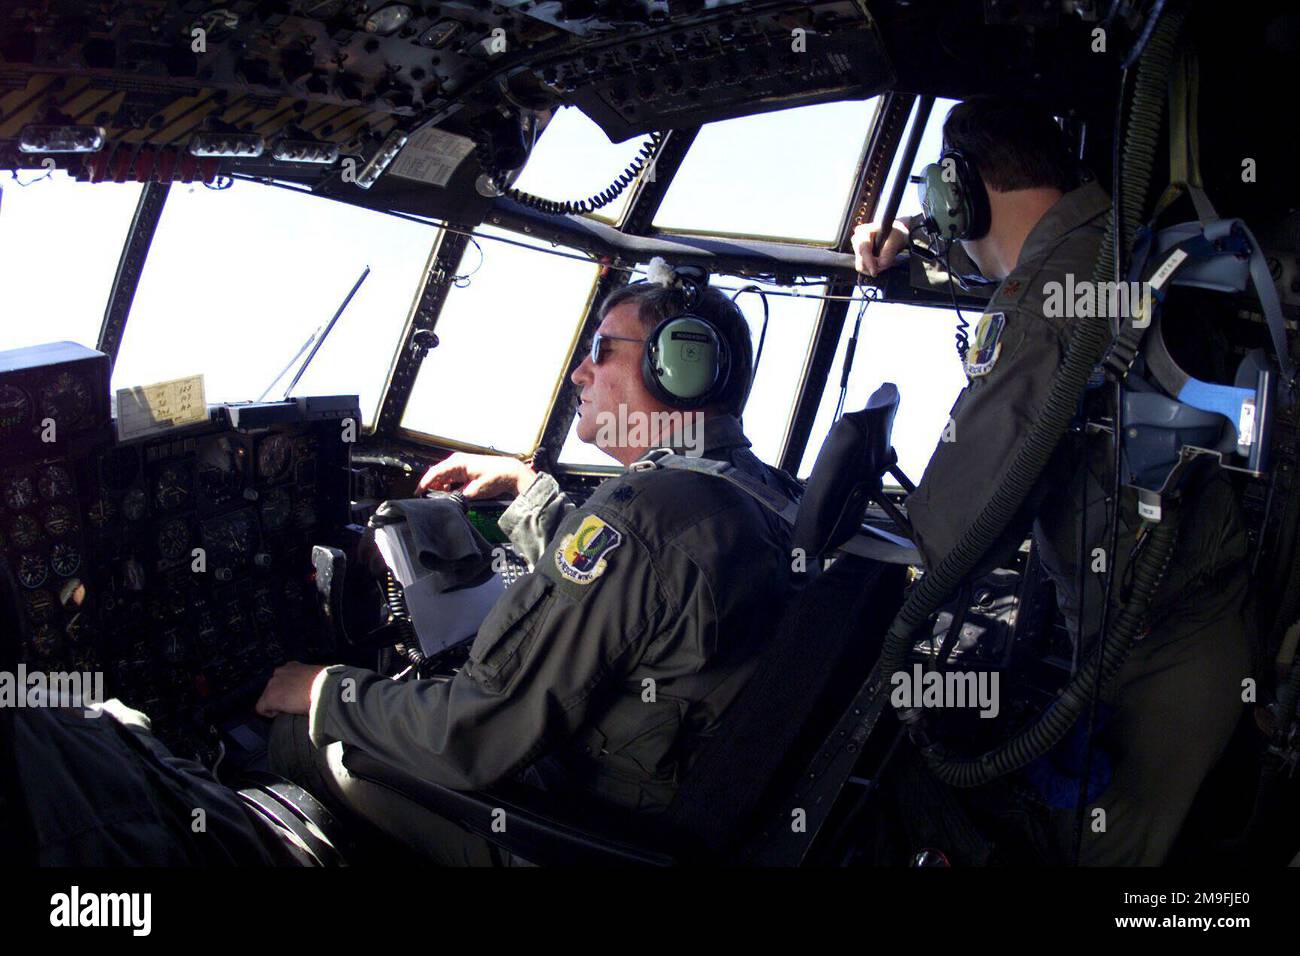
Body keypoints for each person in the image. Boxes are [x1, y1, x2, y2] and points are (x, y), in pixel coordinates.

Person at [256, 270, 802, 864]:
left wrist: (323, 688)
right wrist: (528, 492)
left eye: (601, 348)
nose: (580, 373)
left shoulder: (645, 514)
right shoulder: (762, 492)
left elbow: (473, 734)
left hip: (576, 830)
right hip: (675, 809)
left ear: (678, 366)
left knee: (301, 736)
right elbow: (628, 602)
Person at [852, 97, 1252, 865]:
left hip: (1167, 646)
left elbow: (959, 516)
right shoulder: (1098, 245)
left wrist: (881, 576)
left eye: (940, 196)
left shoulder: (1043, 301)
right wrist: (909, 237)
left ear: (960, 189)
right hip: (1171, 616)